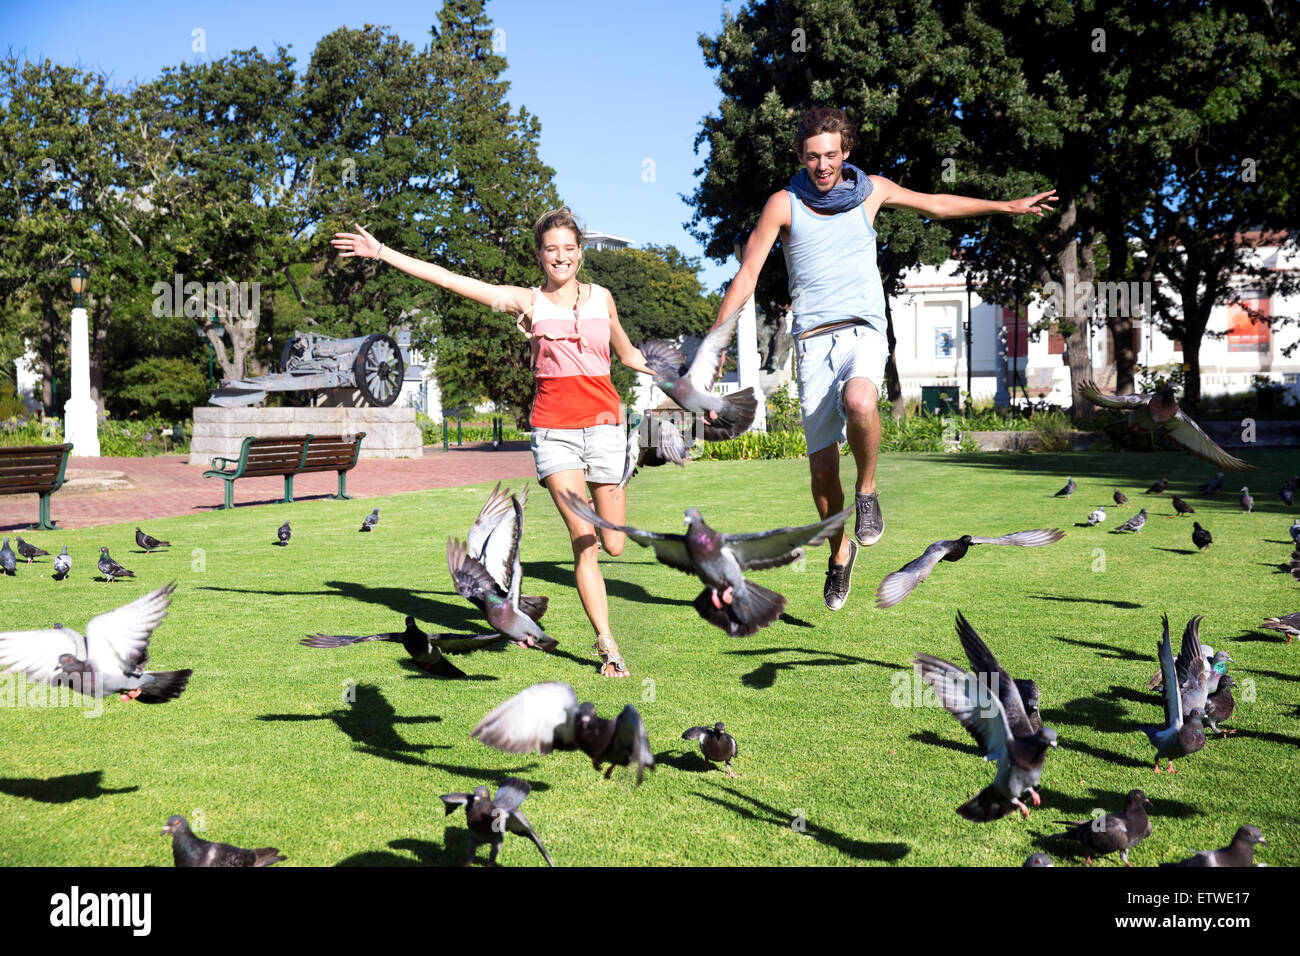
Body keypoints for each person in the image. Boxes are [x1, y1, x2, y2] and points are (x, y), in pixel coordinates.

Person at [709, 107, 1056, 611]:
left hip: (863, 331)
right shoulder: (783, 205)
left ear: (845, 151)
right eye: (813, 157)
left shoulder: (871, 190)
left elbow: (935, 203)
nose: (823, 165)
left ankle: (867, 490)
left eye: (831, 154)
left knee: (862, 399)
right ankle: (839, 550)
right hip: (811, 343)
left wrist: (1006, 206)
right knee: (822, 470)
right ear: (801, 157)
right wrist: (719, 337)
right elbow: (747, 276)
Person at [332, 208, 655, 676]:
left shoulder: (602, 297)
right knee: (583, 540)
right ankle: (608, 646)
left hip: (606, 427)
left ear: (581, 253)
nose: (560, 258)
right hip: (555, 432)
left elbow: (625, 351)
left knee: (615, 544)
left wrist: (675, 378)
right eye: (551, 250)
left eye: (568, 249)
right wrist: (381, 251)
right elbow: (448, 279)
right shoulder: (527, 302)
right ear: (540, 255)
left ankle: (613, 507)